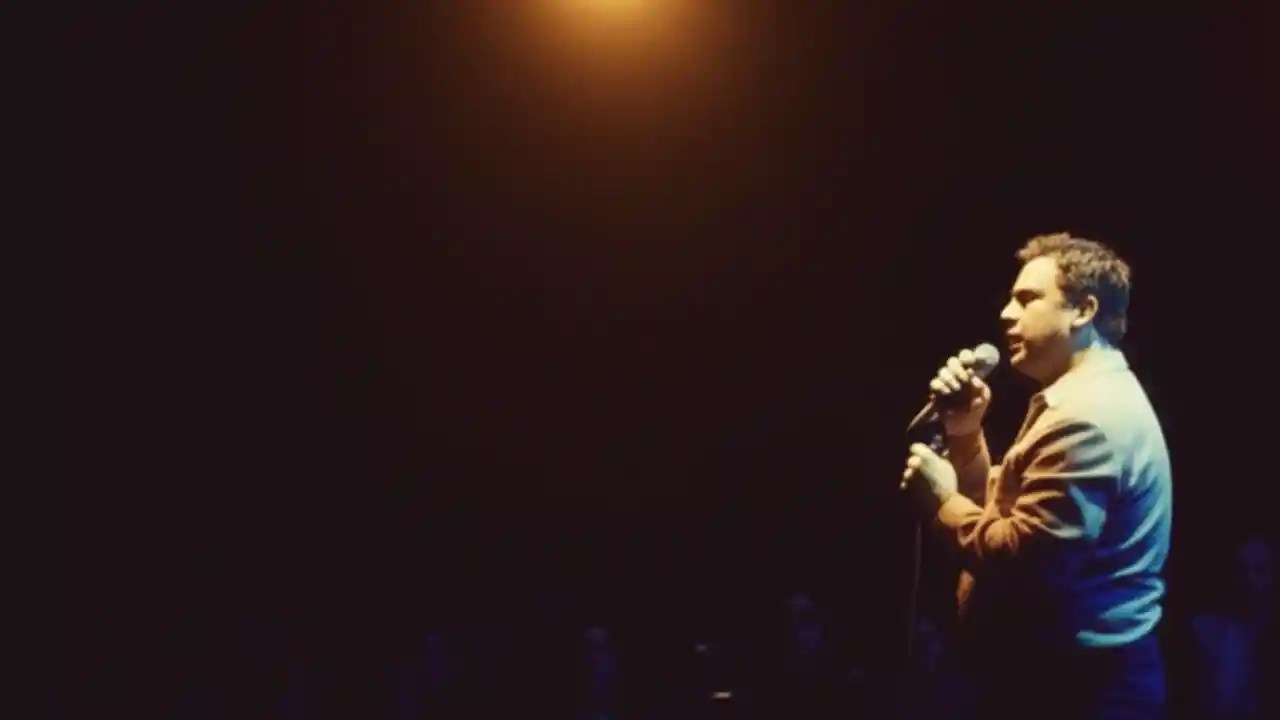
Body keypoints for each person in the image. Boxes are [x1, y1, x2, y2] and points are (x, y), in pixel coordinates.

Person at [899, 232, 1172, 719]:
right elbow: (1009, 512)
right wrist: (966, 435)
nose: (1006, 313)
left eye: (1027, 299)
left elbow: (1023, 565)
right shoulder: (1083, 396)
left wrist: (942, 501)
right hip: (1072, 677)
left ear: (1083, 311)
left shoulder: (1085, 417)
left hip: (1077, 688)